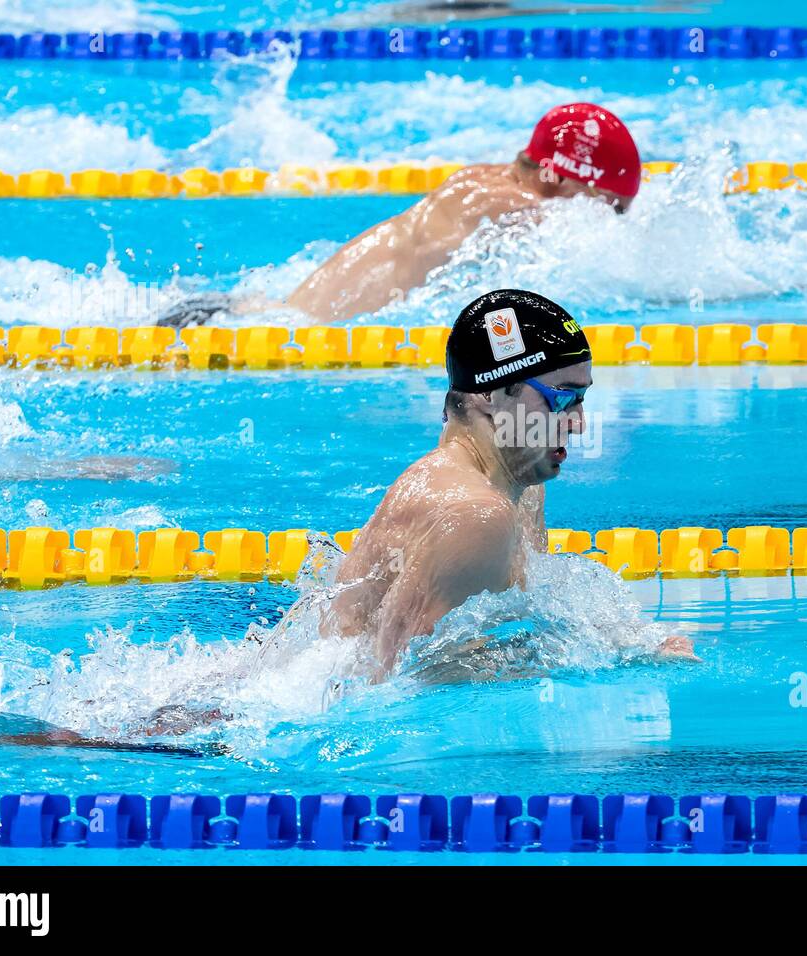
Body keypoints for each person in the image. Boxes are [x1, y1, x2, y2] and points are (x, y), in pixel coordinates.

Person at [326, 288, 694, 676]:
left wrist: (623, 646)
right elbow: (410, 683)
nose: (579, 423)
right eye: (563, 399)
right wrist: (595, 669)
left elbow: (523, 613)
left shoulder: (521, 488)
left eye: (582, 400)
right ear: (489, 393)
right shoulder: (474, 515)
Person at [158, 104, 643, 327]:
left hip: (260, 315)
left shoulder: (490, 181)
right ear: (567, 179)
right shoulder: (511, 205)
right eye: (609, 207)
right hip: (278, 334)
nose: (607, 221)